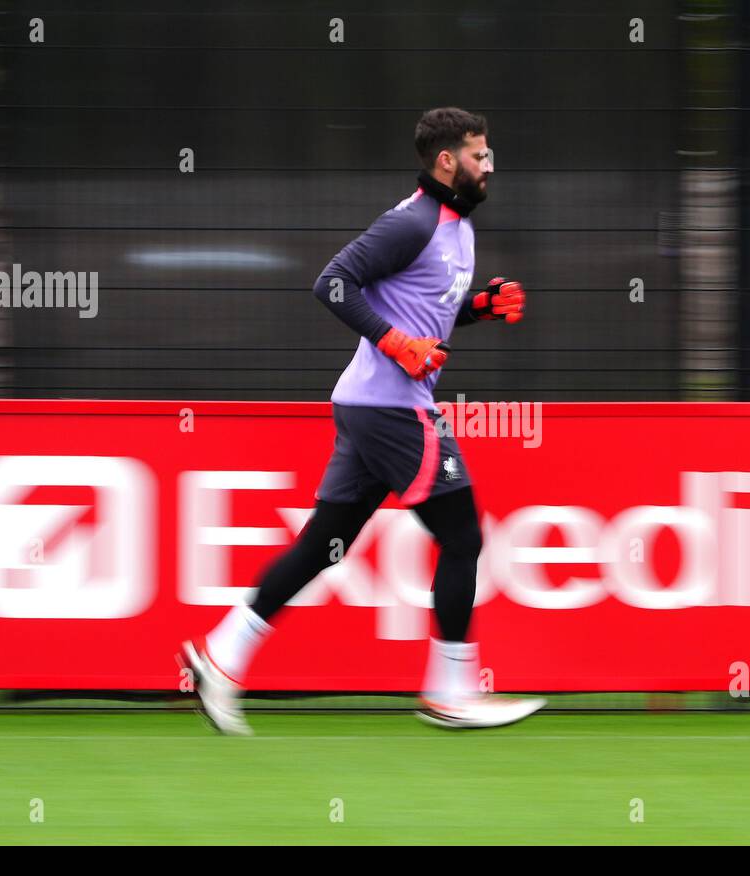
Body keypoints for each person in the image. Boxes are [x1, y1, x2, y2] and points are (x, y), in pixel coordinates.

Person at [181, 107, 545, 734]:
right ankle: (452, 691)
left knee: (323, 545)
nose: (489, 166)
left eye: (489, 154)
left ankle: (221, 656)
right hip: (393, 409)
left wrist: (478, 307)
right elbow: (332, 282)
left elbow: (425, 308)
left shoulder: (458, 226)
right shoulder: (412, 222)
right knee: (462, 538)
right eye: (479, 155)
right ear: (447, 161)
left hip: (369, 407)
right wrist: (395, 344)